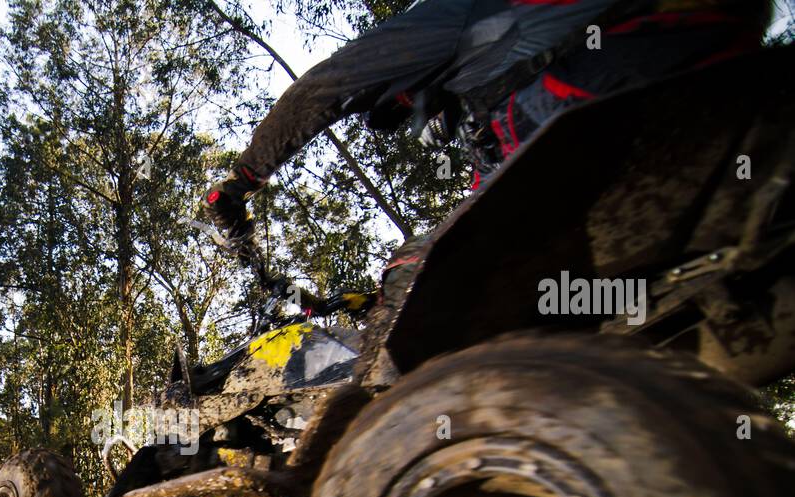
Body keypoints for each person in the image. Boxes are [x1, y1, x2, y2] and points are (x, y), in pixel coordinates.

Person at [204, 0, 773, 314]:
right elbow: (487, 208)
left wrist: (239, 181)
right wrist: (366, 299)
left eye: (405, 106)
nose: (423, 122)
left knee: (416, 281)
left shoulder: (461, 16)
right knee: (457, 257)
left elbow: (322, 88)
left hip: (606, 85)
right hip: (716, 98)